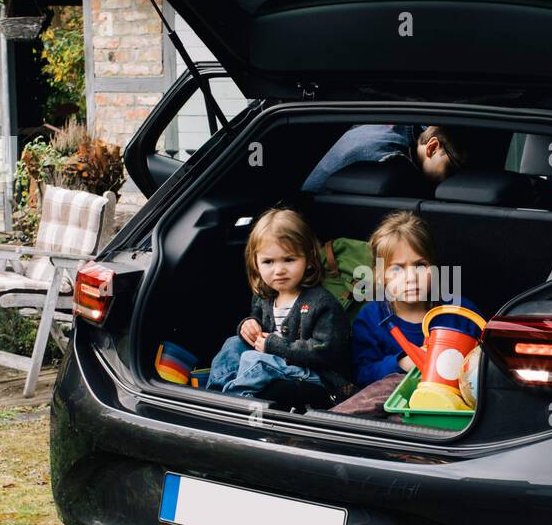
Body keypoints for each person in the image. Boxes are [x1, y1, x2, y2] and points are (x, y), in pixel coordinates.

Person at [207, 207, 351, 401]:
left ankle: (234, 400)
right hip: (274, 364)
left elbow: (327, 351)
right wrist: (249, 325)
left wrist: (275, 346)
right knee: (232, 344)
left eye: (289, 259)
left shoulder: (322, 303)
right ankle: (214, 394)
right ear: (256, 263)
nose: (279, 270)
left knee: (254, 360)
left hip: (315, 377)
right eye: (268, 262)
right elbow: (257, 321)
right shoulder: (264, 297)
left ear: (308, 259)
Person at [350, 210, 483, 388]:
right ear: (380, 275)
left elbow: (488, 363)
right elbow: (361, 374)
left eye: (420, 265)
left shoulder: (462, 313)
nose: (411, 277)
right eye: (397, 269)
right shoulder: (371, 318)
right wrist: (401, 363)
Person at [302, 123, 466, 194]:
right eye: (452, 168)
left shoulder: (395, 128)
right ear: (431, 147)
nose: (454, 180)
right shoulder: (392, 167)